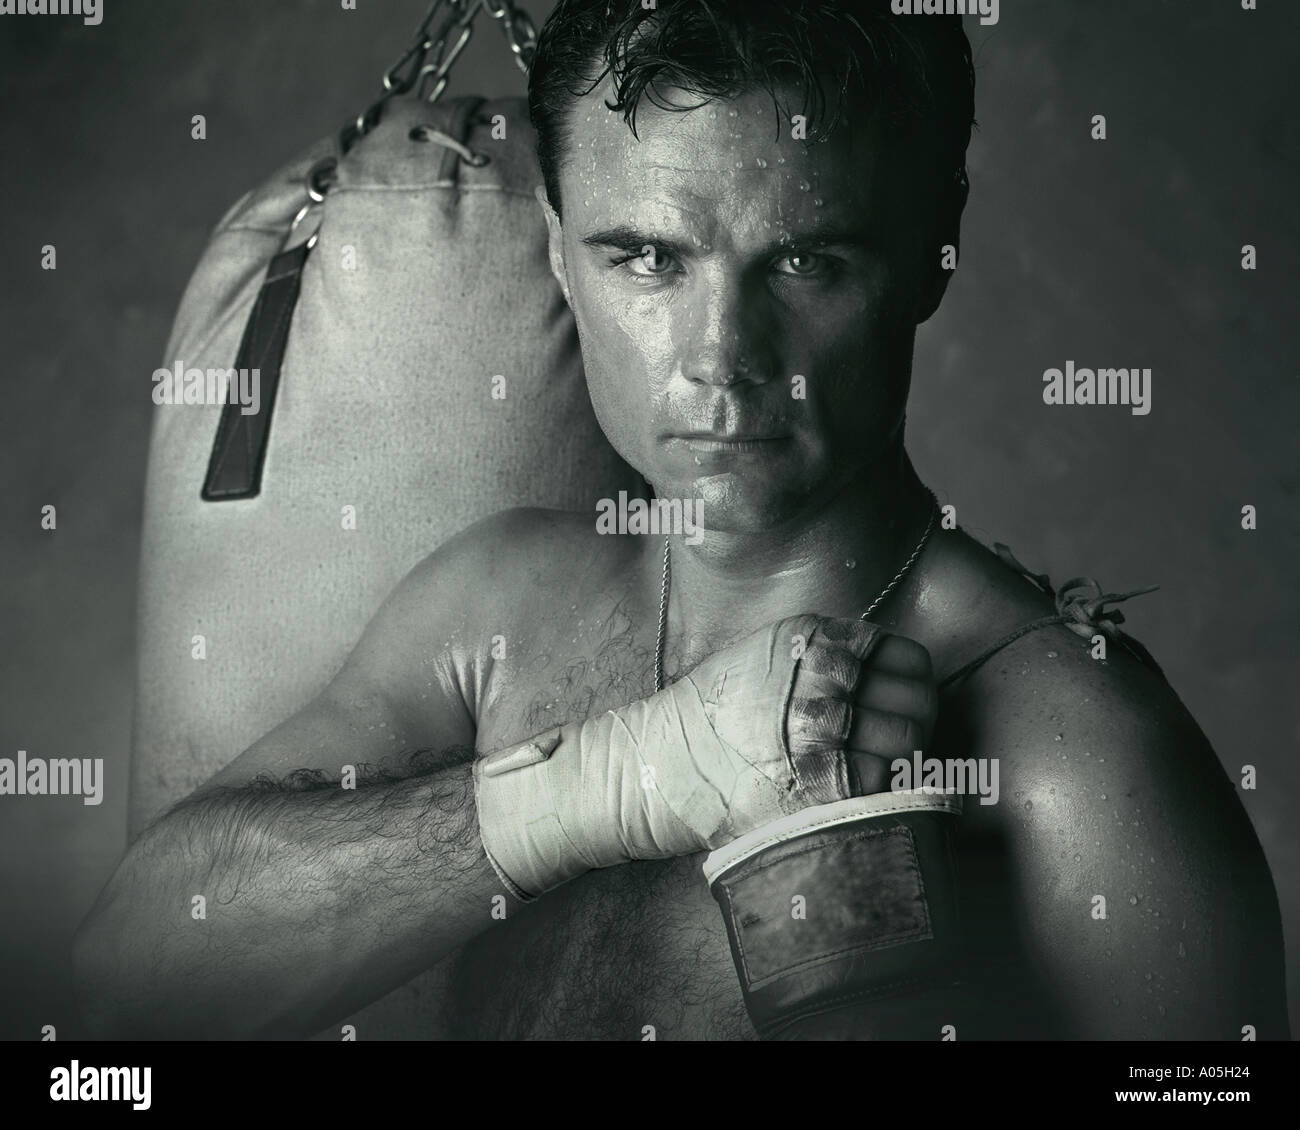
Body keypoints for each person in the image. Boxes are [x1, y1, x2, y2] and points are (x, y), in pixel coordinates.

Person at [73, 0, 1288, 1040]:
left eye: (807, 262)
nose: (721, 359)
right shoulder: (495, 612)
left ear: (932, 251)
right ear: (554, 249)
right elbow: (123, 988)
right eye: (647, 258)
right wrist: (615, 778)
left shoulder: (1077, 753)